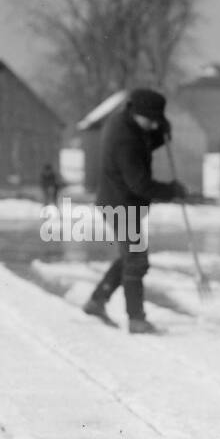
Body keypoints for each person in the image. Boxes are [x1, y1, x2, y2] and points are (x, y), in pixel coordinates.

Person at [82, 89, 187, 334]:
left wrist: (161, 131)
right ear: (137, 113)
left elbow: (147, 138)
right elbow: (139, 183)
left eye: (155, 121)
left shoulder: (128, 122)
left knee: (129, 257)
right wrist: (171, 190)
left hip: (121, 202)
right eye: (150, 120)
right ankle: (136, 320)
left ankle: (97, 301)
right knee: (137, 260)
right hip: (121, 204)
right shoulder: (125, 140)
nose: (152, 125)